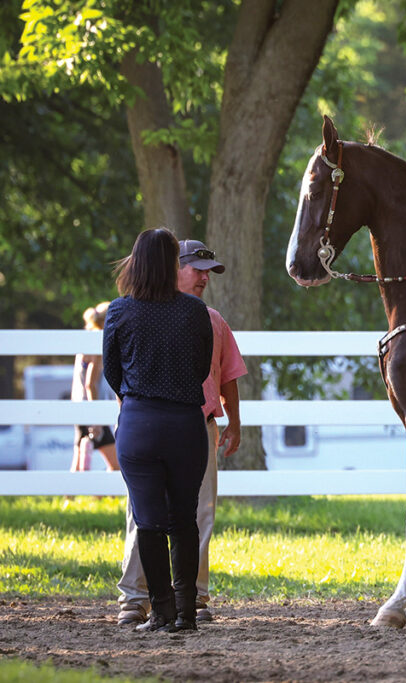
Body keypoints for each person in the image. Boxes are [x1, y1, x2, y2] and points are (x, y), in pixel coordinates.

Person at [115, 239, 246, 628]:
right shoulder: (137, 311)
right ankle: (137, 596)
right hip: (151, 424)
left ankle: (194, 595)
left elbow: (227, 374)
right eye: (197, 269)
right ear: (174, 268)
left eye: (209, 271)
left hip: (197, 423)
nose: (205, 277)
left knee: (198, 514)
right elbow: (115, 369)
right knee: (144, 514)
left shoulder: (212, 319)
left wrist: (233, 421)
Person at [103, 228, 213, 633]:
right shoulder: (193, 311)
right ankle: (186, 613)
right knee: (184, 519)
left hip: (139, 425)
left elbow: (113, 373)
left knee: (148, 521)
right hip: (185, 424)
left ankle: (160, 610)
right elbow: (202, 369)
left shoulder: (118, 311)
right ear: (171, 264)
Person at [70, 301, 118, 473]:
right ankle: (101, 496)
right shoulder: (97, 344)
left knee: (78, 461)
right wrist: (96, 417)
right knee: (116, 465)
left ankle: (70, 498)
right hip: (91, 408)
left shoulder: (87, 339)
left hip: (80, 406)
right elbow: (90, 384)